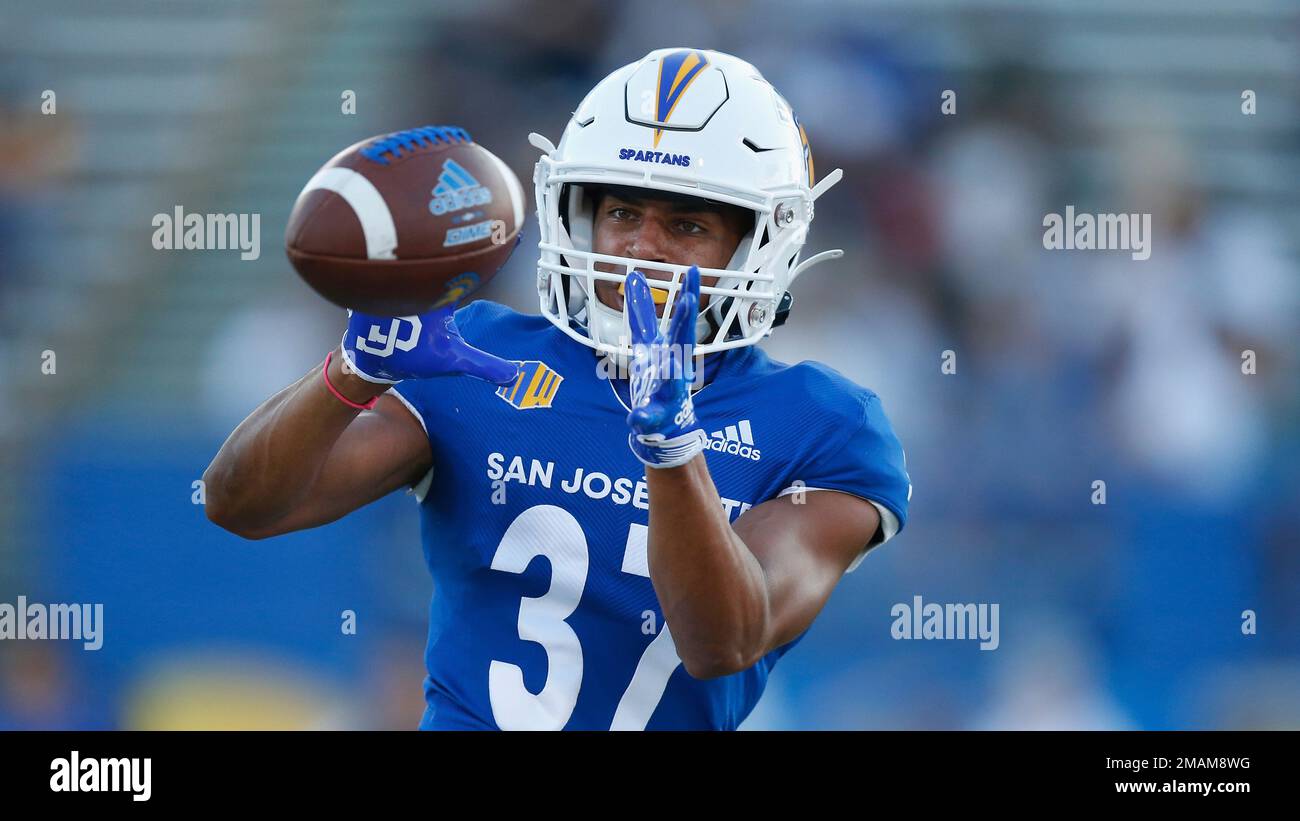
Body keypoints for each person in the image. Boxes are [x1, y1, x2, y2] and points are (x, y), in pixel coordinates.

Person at [203, 48, 911, 730]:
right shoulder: (482, 354)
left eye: (687, 224)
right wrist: (351, 372)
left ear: (763, 244)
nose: (641, 248)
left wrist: (672, 449)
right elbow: (241, 505)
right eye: (623, 214)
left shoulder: (825, 425)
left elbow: (723, 639)